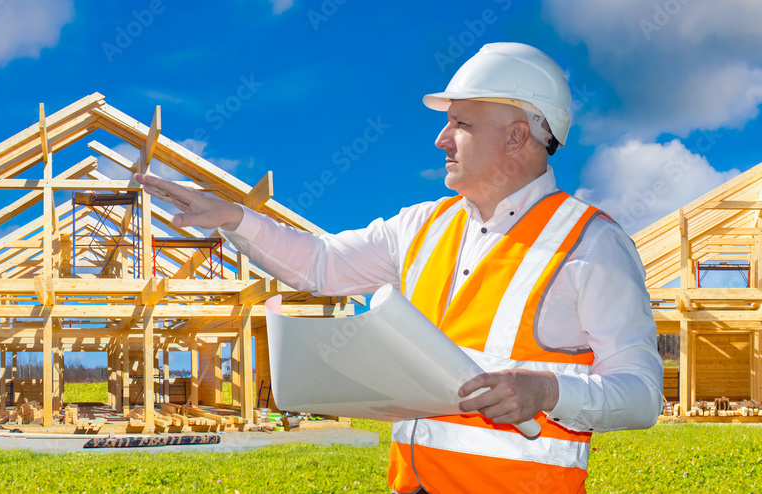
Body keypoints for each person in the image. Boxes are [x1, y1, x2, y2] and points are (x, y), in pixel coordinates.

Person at [136, 42, 663, 494]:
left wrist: (548, 392)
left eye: (460, 123)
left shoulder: (592, 243)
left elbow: (641, 395)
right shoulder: (420, 227)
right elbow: (320, 265)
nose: (441, 139)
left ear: (515, 137)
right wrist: (233, 217)